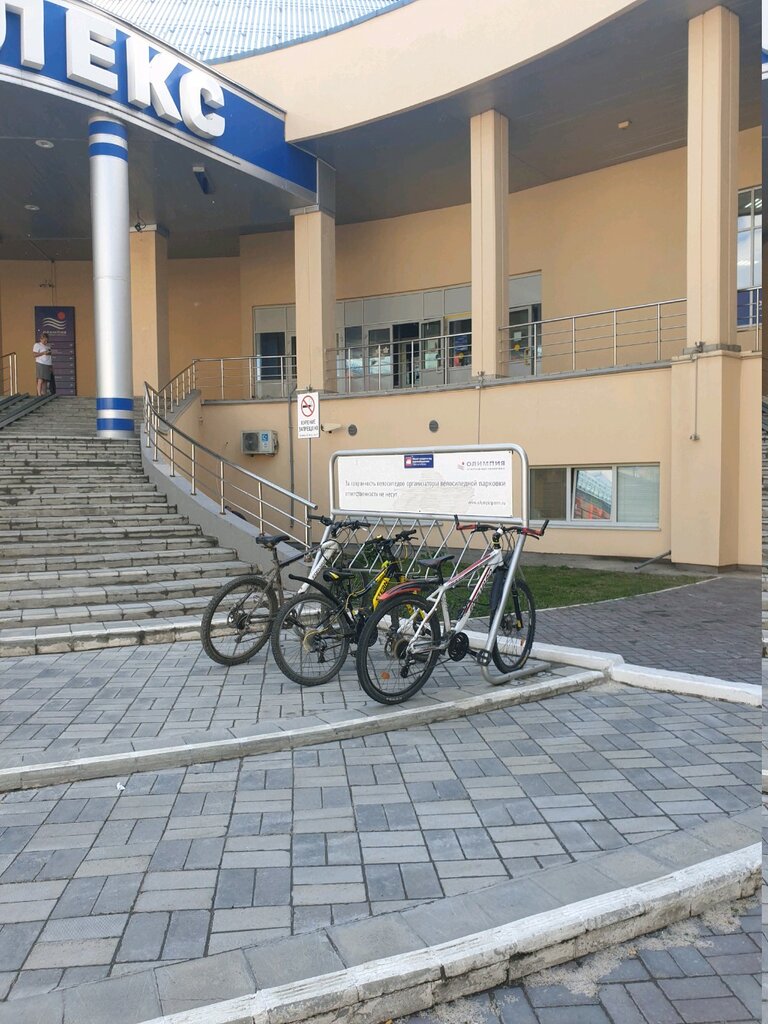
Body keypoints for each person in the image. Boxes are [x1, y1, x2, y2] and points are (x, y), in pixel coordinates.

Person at [33, 332, 53, 396]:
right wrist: (43, 353)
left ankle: (44, 393)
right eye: (44, 340)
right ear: (41, 339)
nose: (46, 341)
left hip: (48, 364)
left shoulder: (48, 346)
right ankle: (39, 393)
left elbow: (49, 356)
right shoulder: (37, 345)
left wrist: (51, 366)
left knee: (45, 380)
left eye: (47, 340)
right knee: (40, 378)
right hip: (41, 363)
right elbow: (34, 355)